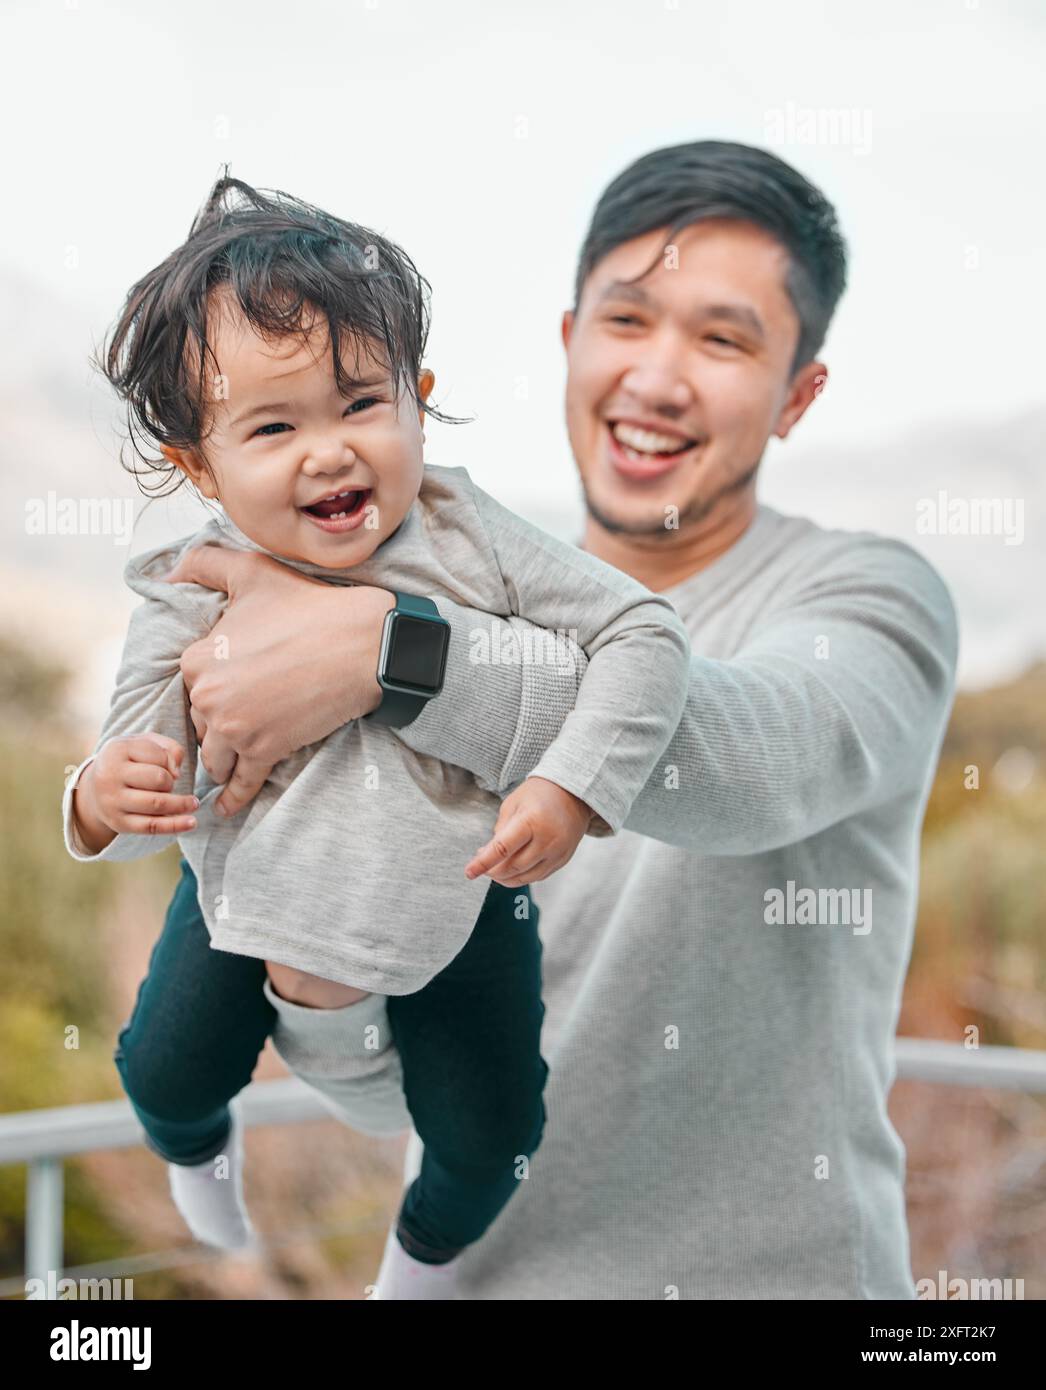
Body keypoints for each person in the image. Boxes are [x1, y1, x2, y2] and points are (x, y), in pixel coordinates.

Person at [103, 141, 959, 1299]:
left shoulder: (867, 597)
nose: (655, 379)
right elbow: (386, 1101)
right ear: (568, 341)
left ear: (797, 392)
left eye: (720, 339)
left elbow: (756, 765)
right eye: (627, 320)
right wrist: (326, 991)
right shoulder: (423, 567)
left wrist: (388, 654)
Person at [60, 174, 692, 1299]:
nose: (329, 452)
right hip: (243, 890)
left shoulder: (464, 531)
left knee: (493, 1132)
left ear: (417, 396)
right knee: (159, 1074)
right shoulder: (193, 581)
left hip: (460, 882)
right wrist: (106, 792)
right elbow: (128, 749)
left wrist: (569, 786)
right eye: (272, 425)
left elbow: (640, 633)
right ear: (199, 465)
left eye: (360, 403)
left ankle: (419, 1261)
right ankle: (200, 1153)